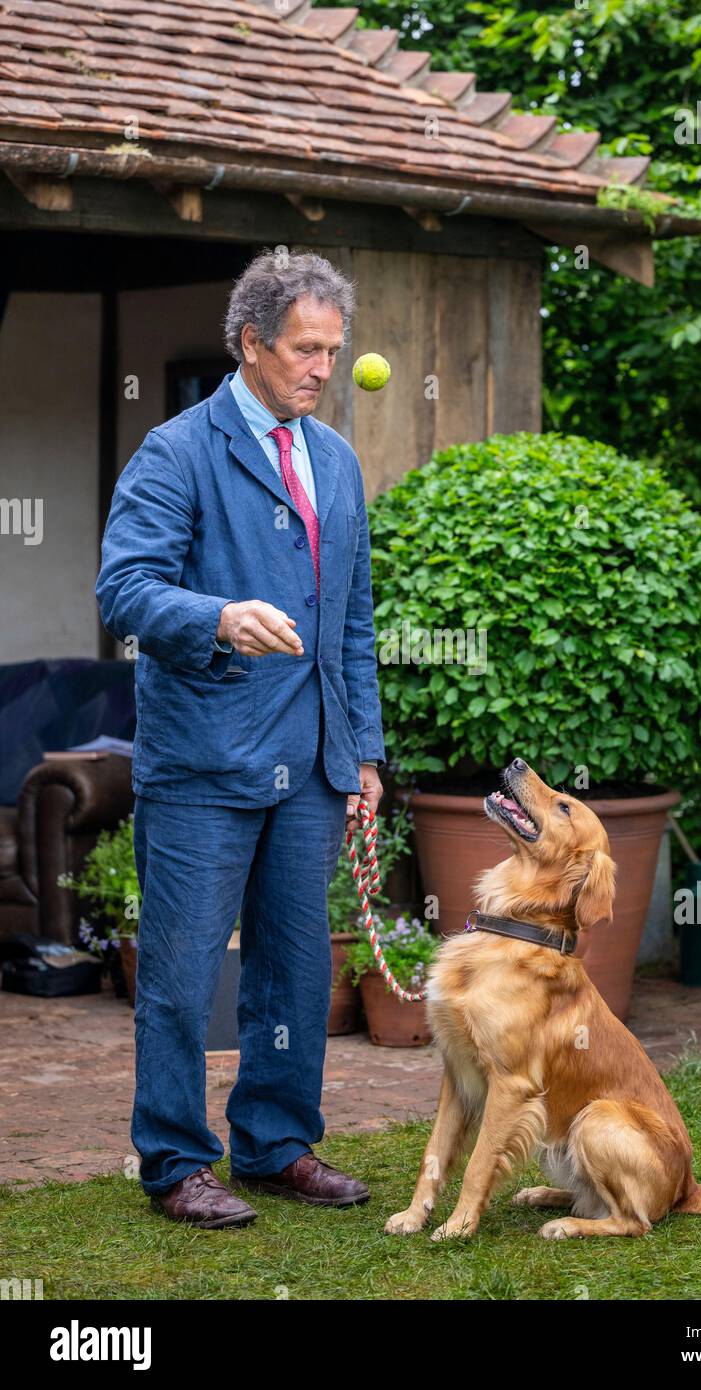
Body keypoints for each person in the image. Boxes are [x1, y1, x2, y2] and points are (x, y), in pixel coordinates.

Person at [96, 250, 386, 1229]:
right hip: (201, 765)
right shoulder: (175, 451)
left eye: (333, 352)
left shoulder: (337, 460)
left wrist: (361, 753)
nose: (323, 369)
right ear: (252, 343)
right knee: (181, 978)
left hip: (309, 764)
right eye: (306, 350)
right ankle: (176, 1161)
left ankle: (274, 1143)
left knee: (295, 970)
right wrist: (215, 615)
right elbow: (124, 589)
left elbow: (350, 622)